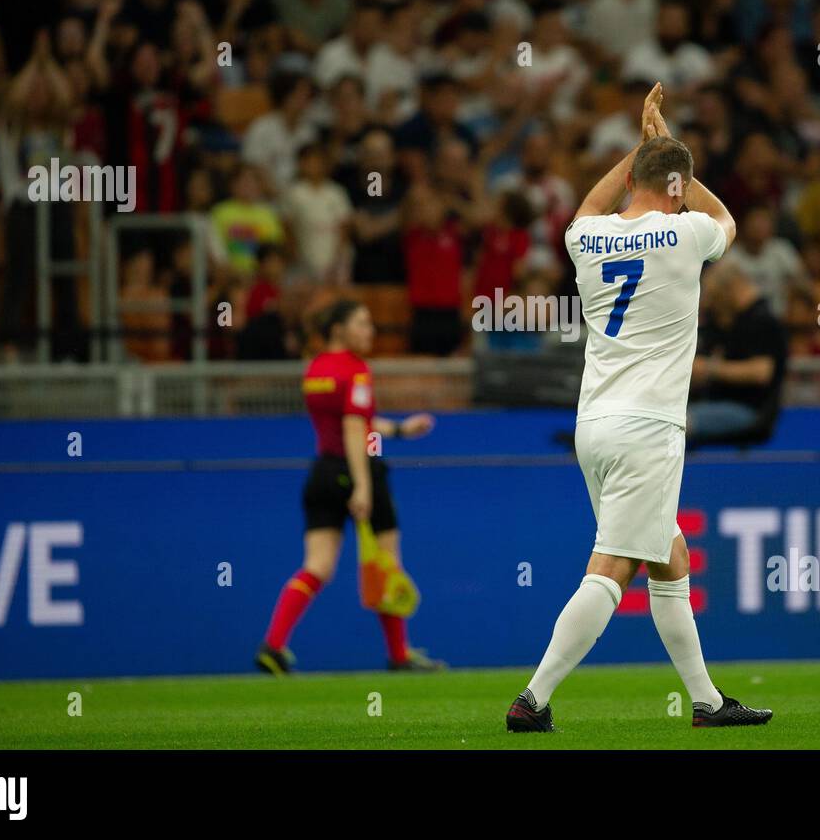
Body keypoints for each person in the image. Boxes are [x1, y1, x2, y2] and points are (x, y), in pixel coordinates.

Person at [507, 83, 772, 733]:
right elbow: (729, 220)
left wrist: (640, 149)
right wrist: (666, 149)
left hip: (592, 425)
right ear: (678, 187)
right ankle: (533, 698)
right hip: (649, 428)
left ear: (632, 177)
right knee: (614, 565)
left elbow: (591, 204)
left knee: (668, 555)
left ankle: (707, 702)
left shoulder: (587, 238)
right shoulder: (685, 234)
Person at [256, 299, 444, 674]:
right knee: (386, 563)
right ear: (339, 329)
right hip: (360, 472)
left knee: (316, 567)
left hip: (322, 472)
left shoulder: (315, 370)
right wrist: (361, 486)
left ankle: (273, 645)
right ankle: (399, 654)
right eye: (362, 322)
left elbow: (357, 421)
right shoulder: (356, 371)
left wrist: (400, 430)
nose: (370, 330)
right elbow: (355, 429)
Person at [688, 261, 788, 447]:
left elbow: (761, 372)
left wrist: (708, 369)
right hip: (715, 403)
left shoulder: (761, 320)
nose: (711, 305)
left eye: (714, 297)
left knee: (679, 422)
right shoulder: (727, 322)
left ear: (729, 290)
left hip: (749, 409)